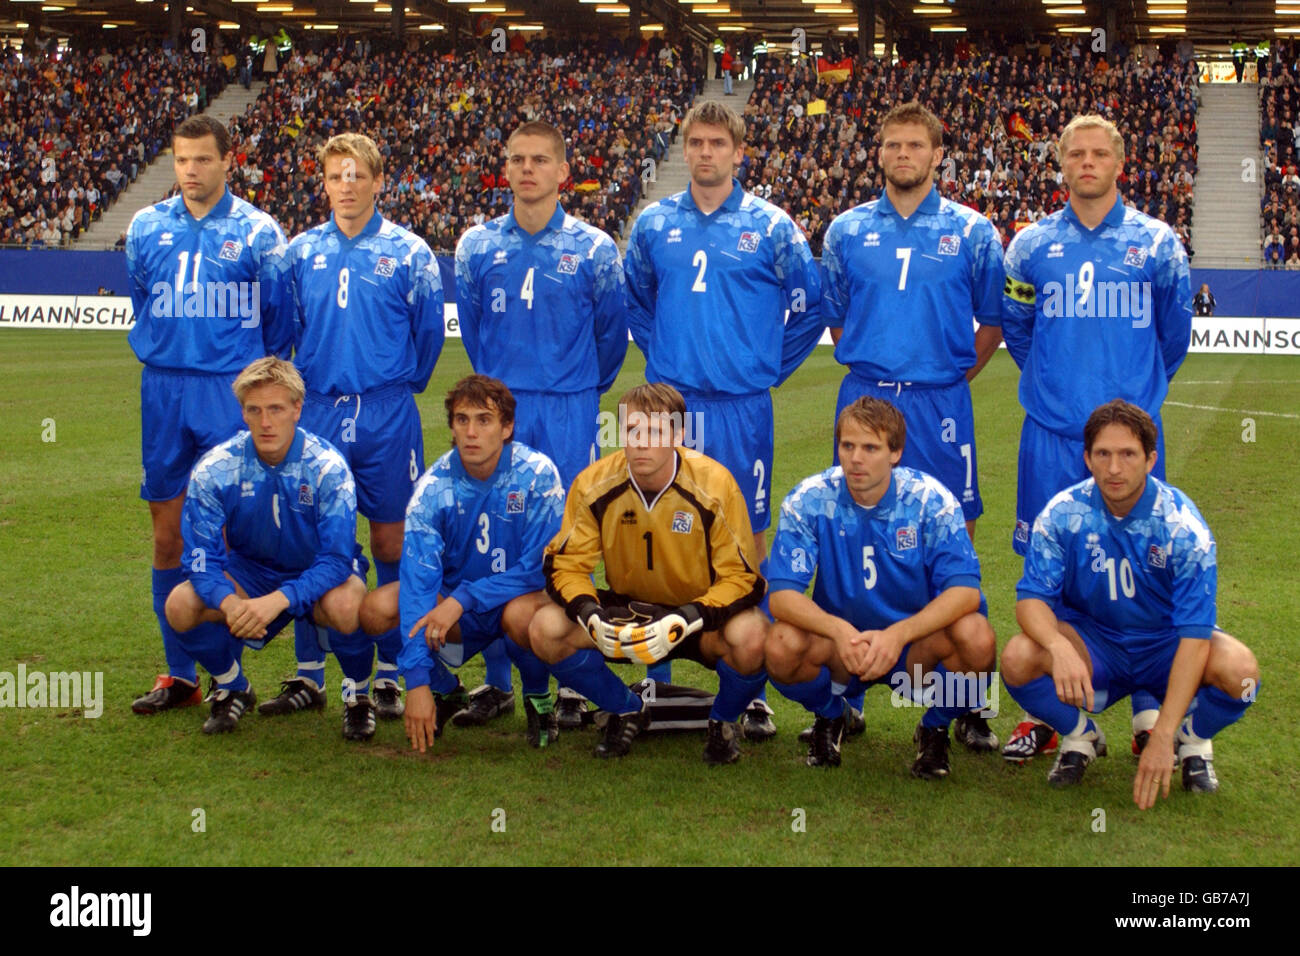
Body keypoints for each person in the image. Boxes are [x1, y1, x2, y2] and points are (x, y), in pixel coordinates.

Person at [623, 100, 824, 738]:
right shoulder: (654, 224)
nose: (706, 153)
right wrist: (663, 364)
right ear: (685, 149)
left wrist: (765, 369)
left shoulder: (771, 227)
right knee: (658, 536)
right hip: (673, 410)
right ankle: (653, 673)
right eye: (696, 143)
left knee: (745, 540)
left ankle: (751, 683)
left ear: (739, 152)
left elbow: (810, 307)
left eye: (718, 143)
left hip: (741, 408)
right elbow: (637, 299)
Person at [1001, 114, 1192, 762]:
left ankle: (1145, 705)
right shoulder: (1030, 245)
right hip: (1052, 437)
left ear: (1119, 162)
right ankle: (1051, 715)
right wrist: (1059, 388)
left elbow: (1173, 340)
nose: (1087, 162)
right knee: (1044, 575)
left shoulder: (1158, 243)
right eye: (1075, 153)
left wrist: (1124, 412)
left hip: (1127, 447)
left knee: (1141, 573)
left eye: (1098, 153)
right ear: (1061, 163)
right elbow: (1019, 331)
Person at [454, 121, 628, 730]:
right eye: (516, 158)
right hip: (503, 408)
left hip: (567, 406)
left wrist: (577, 388)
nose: (527, 169)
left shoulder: (596, 249)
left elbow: (612, 340)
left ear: (562, 171)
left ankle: (565, 678)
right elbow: (474, 335)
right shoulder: (476, 246)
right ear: (505, 168)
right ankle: (499, 682)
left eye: (540, 160)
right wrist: (499, 396)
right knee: (495, 536)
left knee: (565, 545)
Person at [1001, 400, 1258, 803]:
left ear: (1151, 459)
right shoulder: (1062, 513)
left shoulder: (1182, 527)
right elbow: (1031, 600)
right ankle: (1080, 736)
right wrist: (1057, 647)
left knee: (1241, 674)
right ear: (1087, 458)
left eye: (1127, 455)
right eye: (1103, 454)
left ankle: (1193, 743)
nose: (1114, 468)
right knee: (1018, 656)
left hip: (1165, 647)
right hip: (1095, 645)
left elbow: (1195, 636)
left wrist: (1166, 735)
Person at [269, 133, 444, 724]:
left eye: (357, 175)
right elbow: (281, 335)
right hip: (316, 410)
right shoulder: (297, 253)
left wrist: (396, 387)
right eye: (335, 176)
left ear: (377, 181)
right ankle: (312, 673)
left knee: (393, 542)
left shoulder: (410, 252)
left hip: (387, 411)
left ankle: (393, 670)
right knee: (318, 544)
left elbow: (428, 339)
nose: (346, 185)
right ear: (324, 183)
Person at [127, 115, 292, 717]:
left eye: (202, 160)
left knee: (224, 540)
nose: (191, 171)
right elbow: (144, 297)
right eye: (181, 160)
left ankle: (229, 679)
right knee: (167, 535)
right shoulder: (146, 226)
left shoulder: (258, 232)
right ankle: (180, 676)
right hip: (164, 392)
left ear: (229, 160)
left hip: (228, 396)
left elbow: (278, 325)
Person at [527, 383, 769, 764]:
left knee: (753, 636)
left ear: (678, 435)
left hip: (695, 616)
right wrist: (589, 613)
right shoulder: (593, 484)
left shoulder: (715, 485)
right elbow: (566, 565)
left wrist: (686, 618)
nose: (640, 443)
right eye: (631, 430)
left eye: (654, 432)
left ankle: (721, 722)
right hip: (629, 613)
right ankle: (625, 709)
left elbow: (742, 578)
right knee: (544, 626)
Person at [764, 397, 997, 776]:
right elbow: (782, 597)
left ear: (895, 452)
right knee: (780, 644)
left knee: (977, 637)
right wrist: (839, 631)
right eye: (848, 446)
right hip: (845, 650)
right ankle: (832, 714)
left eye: (871, 447)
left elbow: (965, 592)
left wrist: (897, 635)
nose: (856, 458)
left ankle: (934, 725)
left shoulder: (930, 500)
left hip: (913, 650)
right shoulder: (808, 499)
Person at [823, 102, 1005, 541]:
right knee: (855, 517)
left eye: (916, 145)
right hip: (865, 396)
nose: (904, 153)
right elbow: (836, 316)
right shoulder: (845, 230)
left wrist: (953, 377)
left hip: (940, 399)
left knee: (953, 518)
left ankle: (946, 605)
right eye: (893, 145)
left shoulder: (973, 232)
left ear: (937, 155)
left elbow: (994, 322)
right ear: (880, 154)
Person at [163, 358, 370, 737]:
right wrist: (230, 603)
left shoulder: (328, 467)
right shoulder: (216, 468)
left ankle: (358, 695)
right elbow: (200, 558)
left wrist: (279, 600)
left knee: (348, 605)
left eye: (276, 409)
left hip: (318, 572)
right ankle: (233, 685)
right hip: (252, 573)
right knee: (180, 604)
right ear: (242, 413)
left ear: (297, 409)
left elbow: (337, 559)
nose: (266, 422)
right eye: (255, 410)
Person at [358, 376, 566, 751]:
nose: (471, 431)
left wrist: (466, 598)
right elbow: (419, 586)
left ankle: (539, 699)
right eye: (462, 419)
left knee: (525, 614)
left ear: (507, 427)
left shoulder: (538, 474)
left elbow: (540, 569)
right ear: (451, 426)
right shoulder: (432, 488)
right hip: (453, 609)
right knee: (376, 609)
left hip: (514, 599)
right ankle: (444, 691)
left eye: (484, 420)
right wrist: (418, 682)